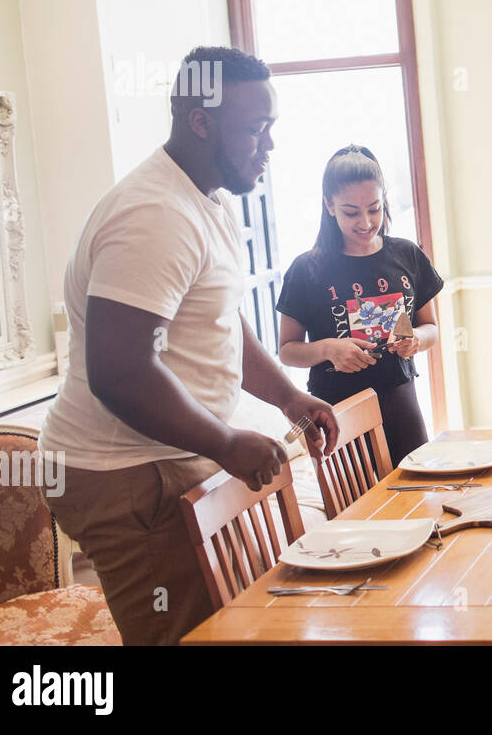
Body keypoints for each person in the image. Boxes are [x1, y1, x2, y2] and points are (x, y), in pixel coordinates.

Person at [39, 46, 339, 646]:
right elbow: (120, 371)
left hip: (164, 452)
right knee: (186, 635)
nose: (270, 146)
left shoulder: (206, 198)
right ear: (200, 122)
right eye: (256, 129)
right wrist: (224, 440)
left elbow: (221, 319)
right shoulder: (153, 215)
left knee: (234, 616)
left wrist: (287, 397)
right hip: (124, 471)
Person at [276, 145, 443, 465]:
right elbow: (287, 350)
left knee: (418, 499)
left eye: (375, 208)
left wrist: (416, 340)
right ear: (329, 205)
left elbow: (431, 327)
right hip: (338, 413)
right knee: (358, 510)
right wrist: (328, 349)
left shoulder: (407, 255)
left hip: (401, 401)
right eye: (351, 212)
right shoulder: (306, 269)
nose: (366, 222)